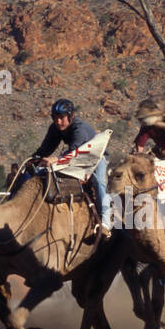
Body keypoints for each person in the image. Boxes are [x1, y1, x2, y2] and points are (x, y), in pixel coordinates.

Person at [32, 98, 111, 236]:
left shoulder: (79, 128)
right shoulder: (55, 128)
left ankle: (106, 220)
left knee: (99, 182)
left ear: (71, 116)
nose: (58, 122)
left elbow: (74, 151)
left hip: (96, 157)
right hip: (76, 158)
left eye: (61, 118)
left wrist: (55, 159)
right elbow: (46, 147)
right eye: (55, 118)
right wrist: (34, 159)